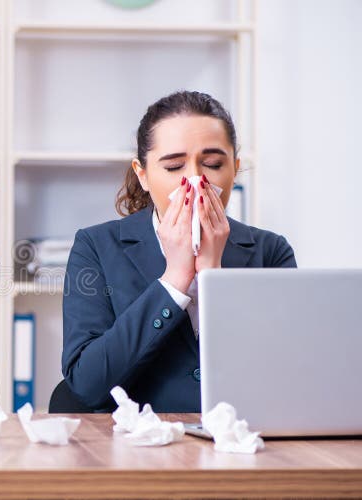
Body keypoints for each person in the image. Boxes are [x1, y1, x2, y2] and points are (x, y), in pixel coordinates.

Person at [61, 91, 296, 413]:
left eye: (213, 164)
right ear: (142, 175)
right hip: (138, 445)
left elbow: (282, 376)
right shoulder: (96, 247)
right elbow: (88, 384)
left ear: (235, 168)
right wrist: (174, 280)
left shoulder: (270, 252)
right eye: (173, 166)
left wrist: (213, 275)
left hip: (240, 437)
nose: (195, 181)